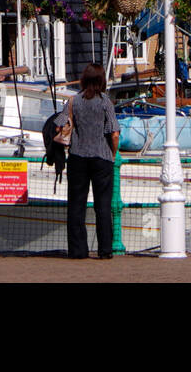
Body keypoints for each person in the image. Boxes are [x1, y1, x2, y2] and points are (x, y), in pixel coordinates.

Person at [56, 63, 120, 259]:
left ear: (84, 79)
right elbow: (114, 133)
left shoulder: (73, 101)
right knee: (103, 205)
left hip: (77, 156)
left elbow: (59, 125)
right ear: (101, 80)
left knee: (76, 205)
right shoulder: (105, 102)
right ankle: (105, 250)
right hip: (101, 157)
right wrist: (113, 154)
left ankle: (78, 250)